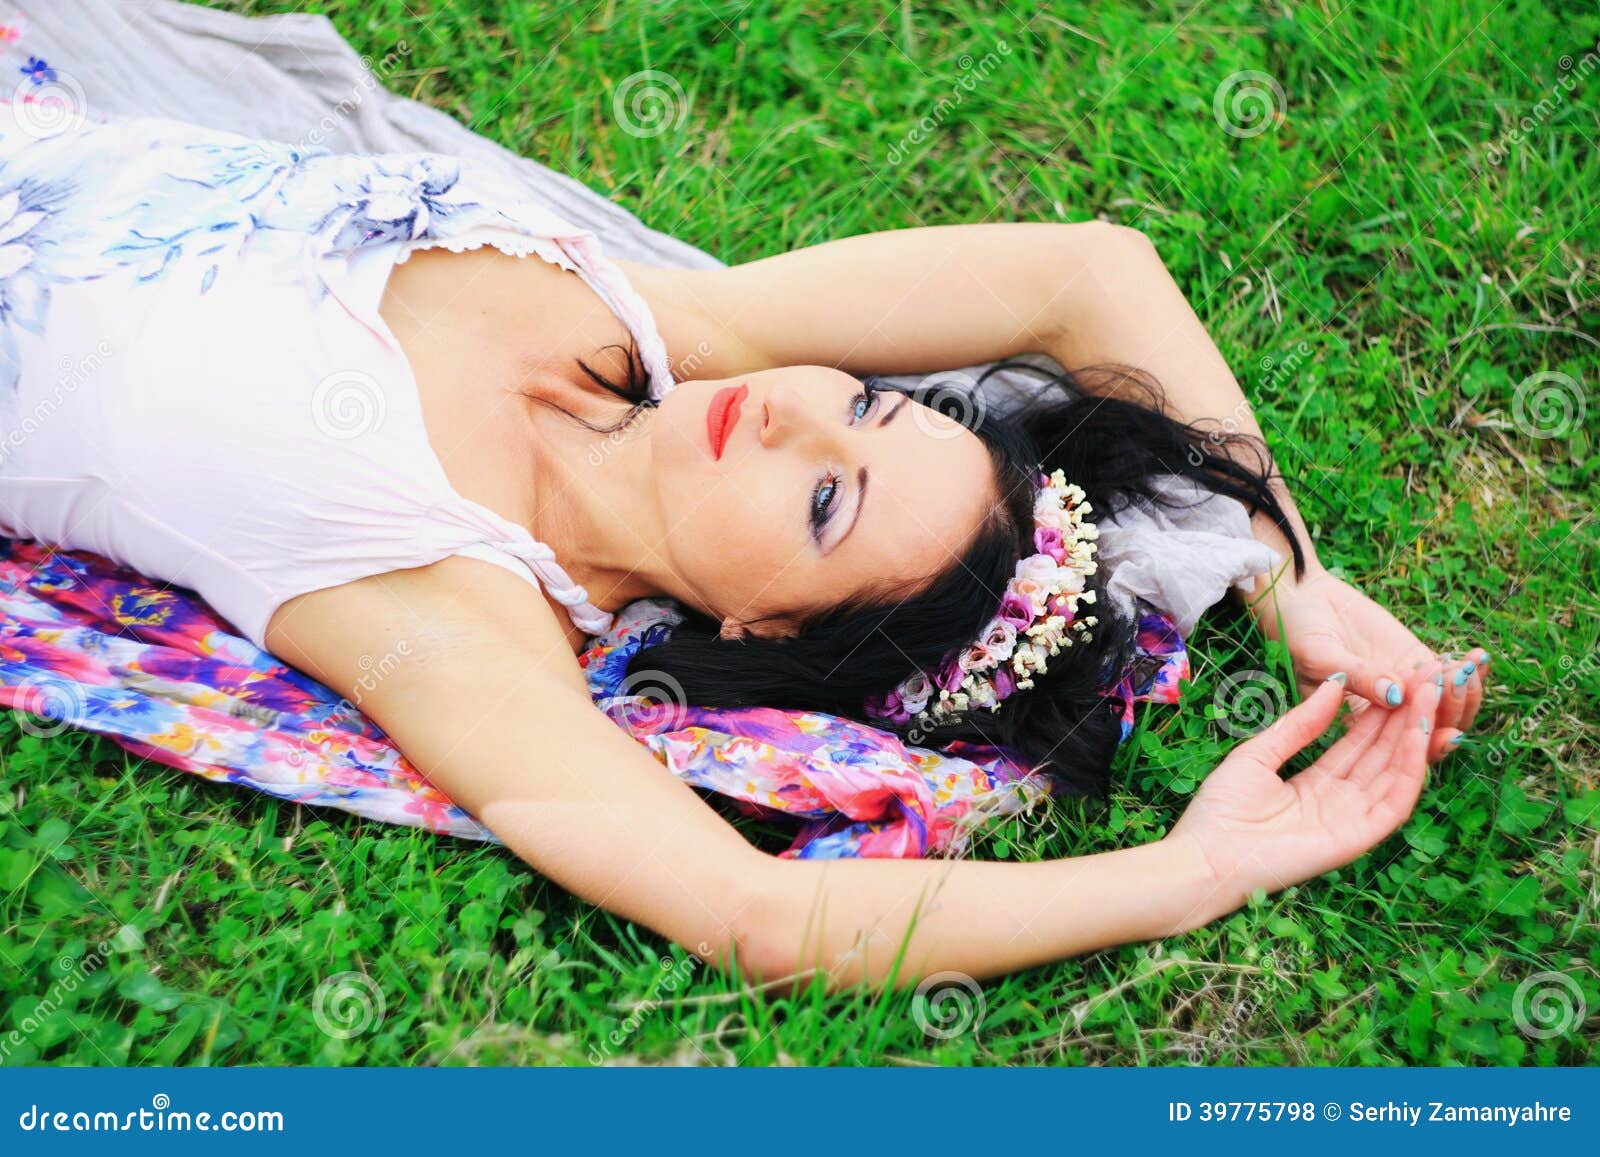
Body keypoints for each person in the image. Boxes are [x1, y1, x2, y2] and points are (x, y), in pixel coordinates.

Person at [0, 110, 1487, 991]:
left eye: (825, 502)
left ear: (765, 632)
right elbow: (1086, 271)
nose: (783, 420)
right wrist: (1286, 563)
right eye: (863, 405)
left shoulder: (444, 602)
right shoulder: (672, 331)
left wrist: (1195, 870)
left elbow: (762, 913)